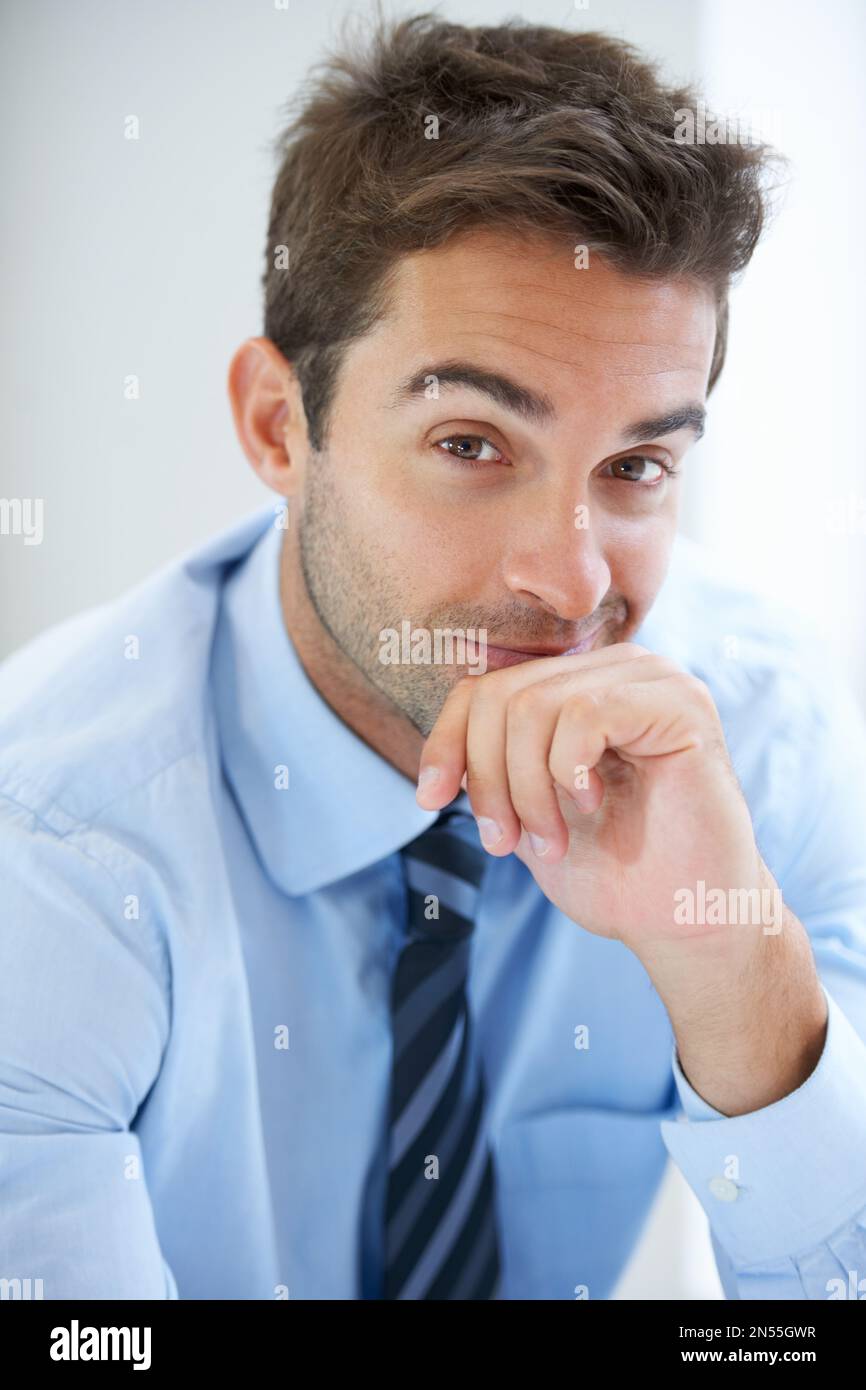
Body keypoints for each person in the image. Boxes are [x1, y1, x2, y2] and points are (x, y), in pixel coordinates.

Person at [2, 14, 865, 1302]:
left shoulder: (763, 745)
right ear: (278, 427)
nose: (571, 582)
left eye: (635, 468)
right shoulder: (54, 850)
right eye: (472, 443)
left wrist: (737, 971)